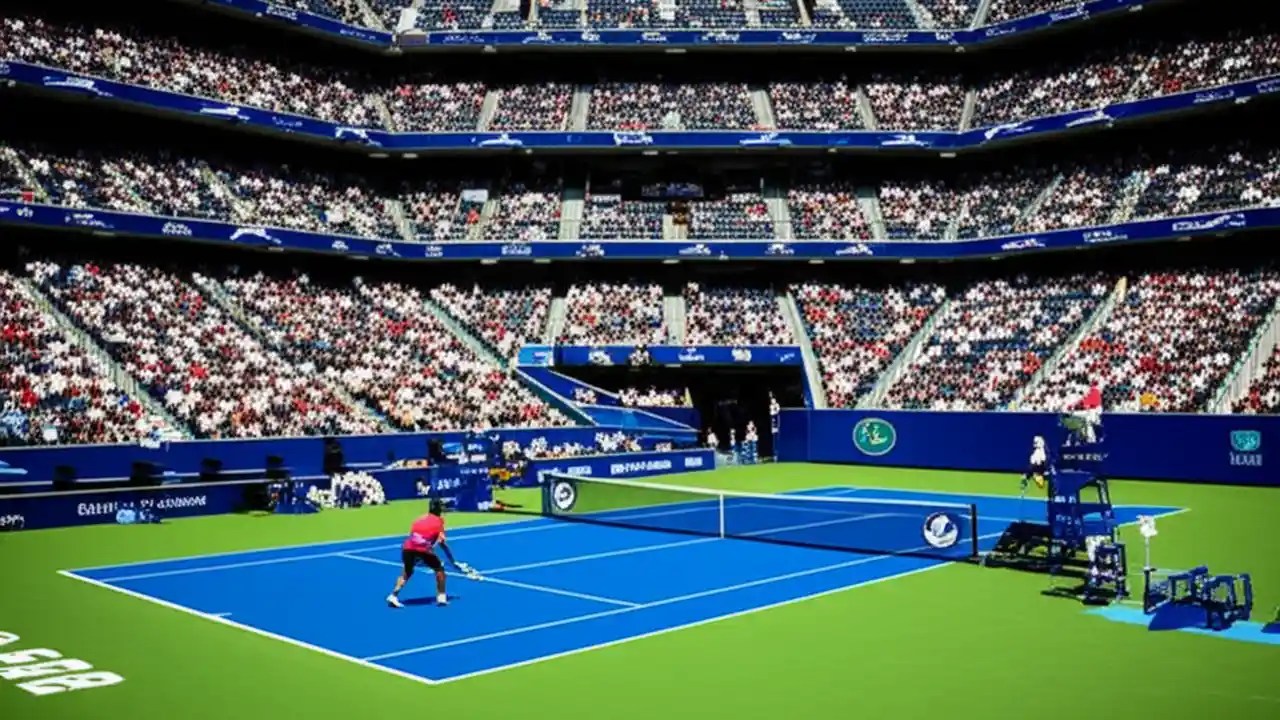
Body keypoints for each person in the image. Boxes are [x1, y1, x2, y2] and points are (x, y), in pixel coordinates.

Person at [387, 498, 477, 608]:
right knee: (440, 570)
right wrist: (452, 560)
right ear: (439, 508)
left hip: (407, 548)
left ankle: (393, 595)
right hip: (422, 550)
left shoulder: (419, 520)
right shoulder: (439, 521)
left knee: (407, 572)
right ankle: (441, 598)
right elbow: (441, 542)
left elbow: (415, 537)